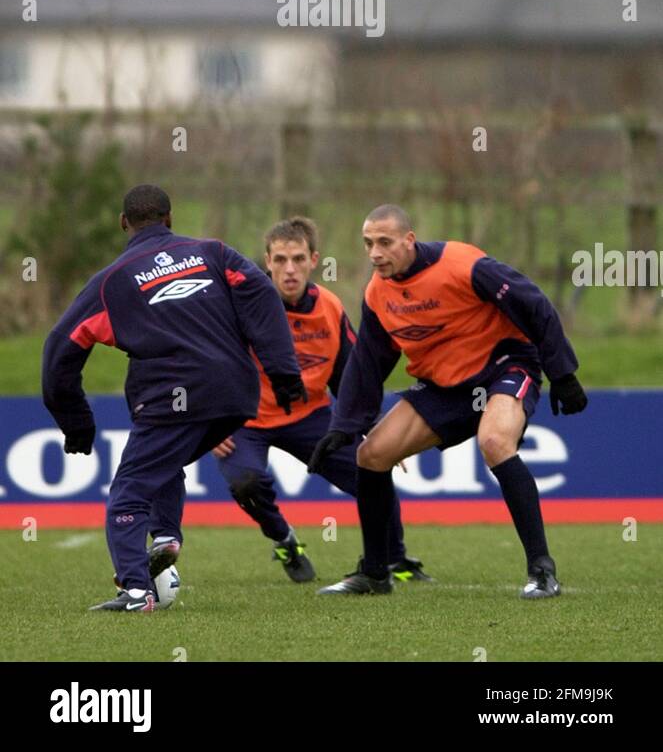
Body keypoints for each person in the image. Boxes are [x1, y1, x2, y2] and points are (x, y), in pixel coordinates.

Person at [42, 184, 304, 612]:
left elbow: (59, 350)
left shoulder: (111, 281)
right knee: (163, 464)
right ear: (170, 218)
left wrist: (76, 423)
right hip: (235, 396)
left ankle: (135, 591)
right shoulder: (214, 252)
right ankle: (164, 536)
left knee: (128, 492)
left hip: (170, 398)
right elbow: (261, 294)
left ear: (124, 224)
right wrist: (283, 371)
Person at [310, 205, 588, 598]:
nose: (374, 253)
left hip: (503, 368)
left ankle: (542, 571)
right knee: (371, 455)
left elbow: (533, 303)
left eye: (384, 243)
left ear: (409, 240)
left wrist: (563, 373)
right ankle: (374, 573)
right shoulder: (377, 293)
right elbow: (368, 361)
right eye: (368, 243)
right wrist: (344, 425)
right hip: (444, 387)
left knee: (494, 442)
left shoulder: (462, 264)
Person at [214, 216, 431, 586]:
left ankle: (394, 559)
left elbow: (351, 373)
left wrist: (376, 430)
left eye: (298, 259)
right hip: (247, 422)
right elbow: (208, 364)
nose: (289, 269)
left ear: (314, 260)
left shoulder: (329, 307)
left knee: (374, 475)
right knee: (245, 483)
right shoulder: (240, 307)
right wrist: (209, 422)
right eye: (280, 260)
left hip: (311, 417)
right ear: (267, 261)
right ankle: (285, 540)